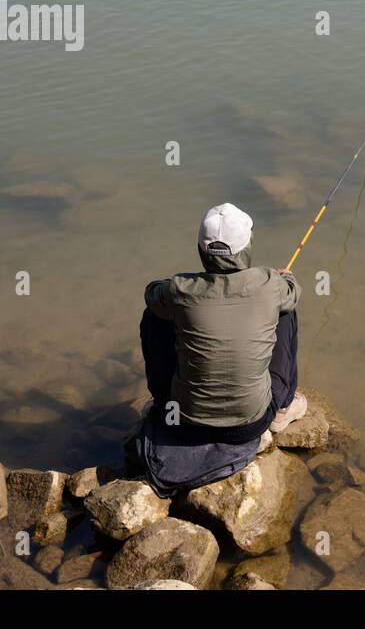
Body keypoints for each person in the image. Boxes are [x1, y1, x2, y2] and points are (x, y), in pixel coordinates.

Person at [127, 202, 307, 495]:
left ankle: (163, 401)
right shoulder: (269, 283)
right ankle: (282, 409)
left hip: (184, 422)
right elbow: (293, 292)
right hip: (250, 424)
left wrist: (178, 288)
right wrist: (285, 277)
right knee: (286, 311)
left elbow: (151, 294)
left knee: (155, 315)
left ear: (201, 249)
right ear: (247, 247)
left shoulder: (179, 289)